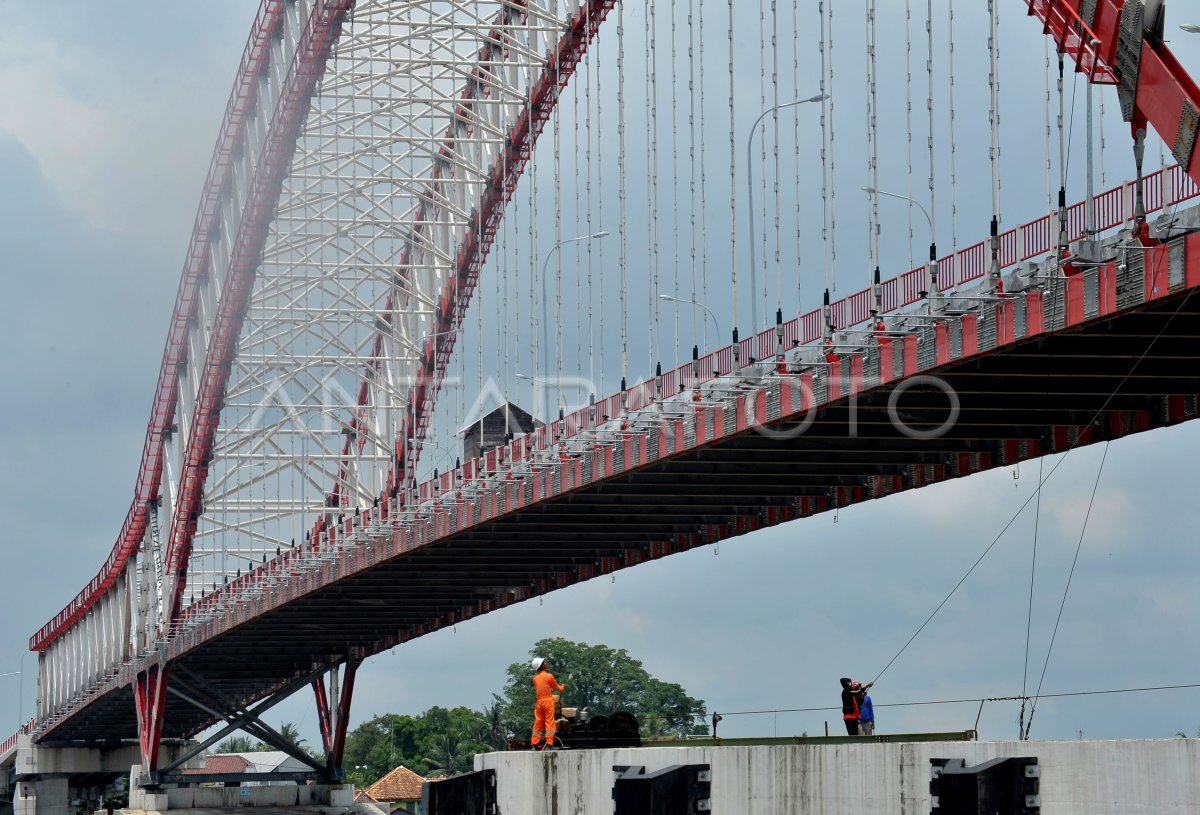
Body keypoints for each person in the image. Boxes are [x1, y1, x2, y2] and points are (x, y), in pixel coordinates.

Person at [530, 657, 566, 750]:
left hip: (539, 703)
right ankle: (549, 744)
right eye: (544, 663)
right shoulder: (549, 676)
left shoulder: (535, 678)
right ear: (541, 665)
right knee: (550, 722)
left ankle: (534, 744)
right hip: (547, 701)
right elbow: (557, 688)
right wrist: (563, 687)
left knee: (538, 723)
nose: (546, 663)